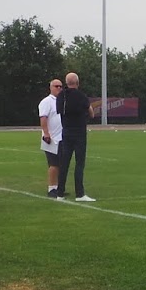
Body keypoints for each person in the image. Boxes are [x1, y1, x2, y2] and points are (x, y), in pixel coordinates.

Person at [56, 72, 97, 202]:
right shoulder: (81, 96)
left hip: (66, 132)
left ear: (66, 83)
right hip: (79, 132)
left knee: (64, 163)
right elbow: (91, 113)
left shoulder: (61, 96)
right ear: (77, 83)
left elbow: (60, 112)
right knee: (79, 163)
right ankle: (80, 194)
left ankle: (60, 193)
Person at [38, 77, 64, 198]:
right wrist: (46, 133)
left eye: (60, 86)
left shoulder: (61, 100)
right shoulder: (47, 101)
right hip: (52, 138)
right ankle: (52, 188)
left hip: (62, 137)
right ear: (51, 87)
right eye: (56, 86)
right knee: (53, 164)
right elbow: (43, 118)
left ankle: (59, 187)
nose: (59, 88)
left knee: (61, 164)